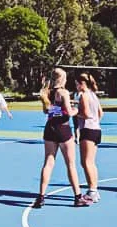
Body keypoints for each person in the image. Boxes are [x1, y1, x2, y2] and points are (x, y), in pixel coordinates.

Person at [33, 68, 90, 208]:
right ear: (62, 79)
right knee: (70, 164)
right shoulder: (63, 92)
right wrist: (77, 110)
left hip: (50, 129)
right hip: (62, 129)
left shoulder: (47, 92)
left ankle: (40, 196)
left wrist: (61, 109)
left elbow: (47, 111)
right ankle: (77, 196)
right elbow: (69, 112)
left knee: (48, 162)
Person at [75, 72, 104, 203]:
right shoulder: (94, 95)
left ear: (81, 84)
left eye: (76, 84)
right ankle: (94, 190)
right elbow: (100, 113)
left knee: (86, 162)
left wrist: (75, 112)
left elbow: (85, 113)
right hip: (96, 129)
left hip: (87, 129)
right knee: (90, 162)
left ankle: (92, 190)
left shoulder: (84, 95)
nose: (76, 87)